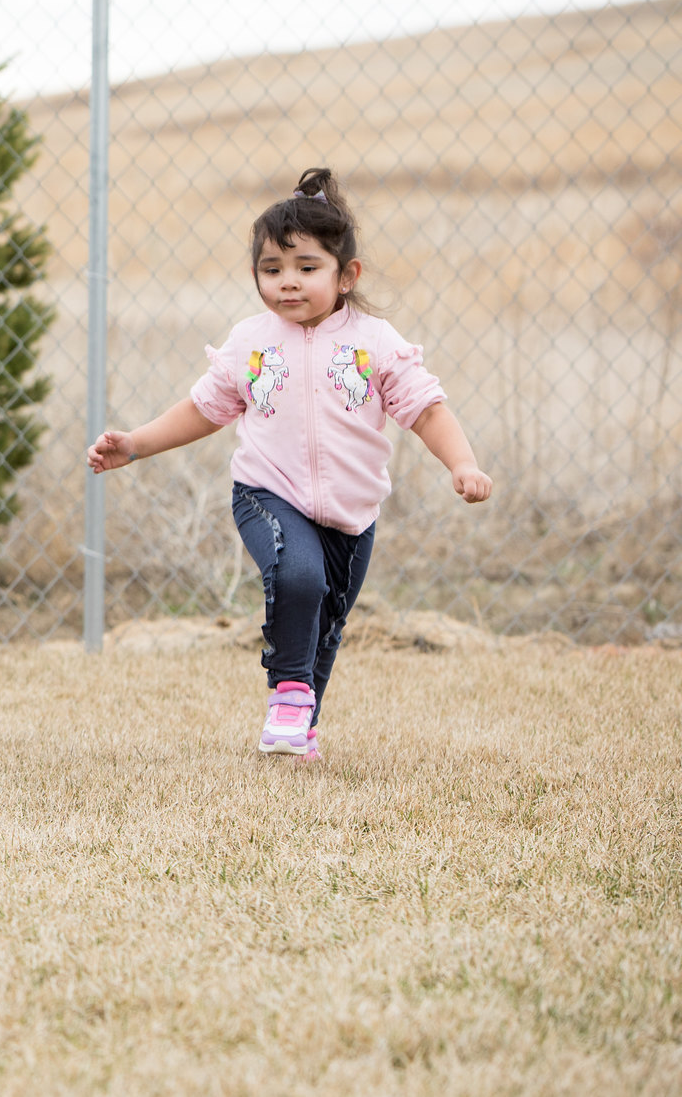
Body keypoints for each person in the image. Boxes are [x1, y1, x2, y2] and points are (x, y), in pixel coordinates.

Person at [87, 168, 492, 761]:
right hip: (266, 493)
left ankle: (301, 728)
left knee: (326, 621)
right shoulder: (252, 341)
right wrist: (137, 444)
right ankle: (287, 695)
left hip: (352, 514)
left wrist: (462, 462)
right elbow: (205, 408)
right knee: (298, 577)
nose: (287, 284)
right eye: (271, 270)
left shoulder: (375, 344)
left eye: (306, 268)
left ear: (347, 274)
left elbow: (426, 410)